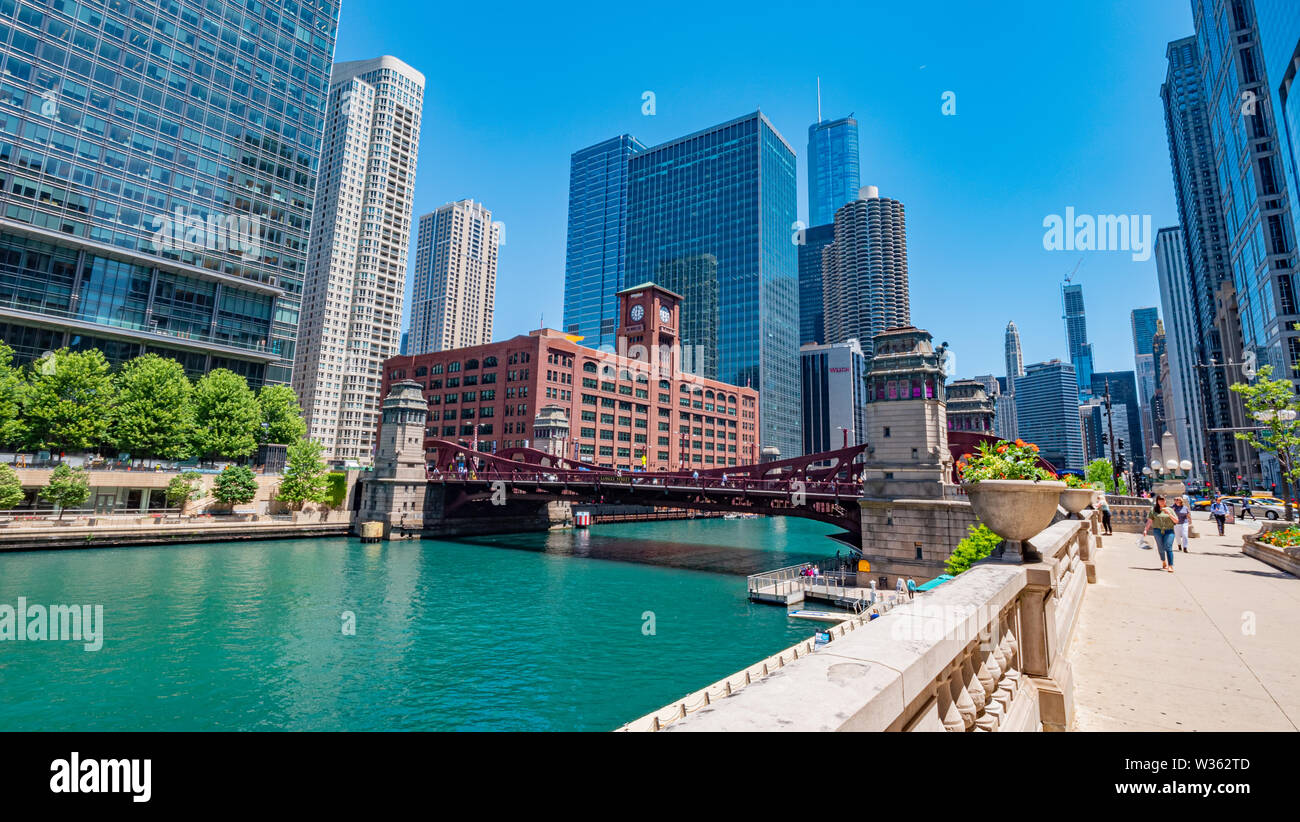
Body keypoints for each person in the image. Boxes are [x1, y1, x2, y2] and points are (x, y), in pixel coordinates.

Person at [1142, 494, 1178, 572]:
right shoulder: (1153, 510)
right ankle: (1163, 561)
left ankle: (1170, 565)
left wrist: (1169, 513)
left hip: (1169, 531)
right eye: (1160, 500)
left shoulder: (1170, 510)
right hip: (1157, 531)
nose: (1161, 502)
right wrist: (1145, 530)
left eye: (1163, 500)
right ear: (1157, 501)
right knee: (1161, 548)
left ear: (1165, 501)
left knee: (1168, 547)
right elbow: (1149, 521)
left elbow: (1176, 521)